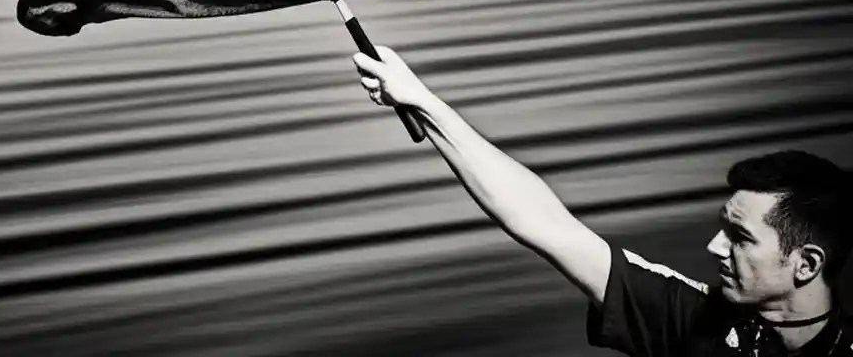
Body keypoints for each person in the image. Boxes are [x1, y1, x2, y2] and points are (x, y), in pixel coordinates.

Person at [354, 46, 851, 357]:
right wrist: (421, 101)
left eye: (741, 238)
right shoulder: (694, 319)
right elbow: (545, 224)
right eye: (724, 227)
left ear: (805, 264)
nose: (714, 247)